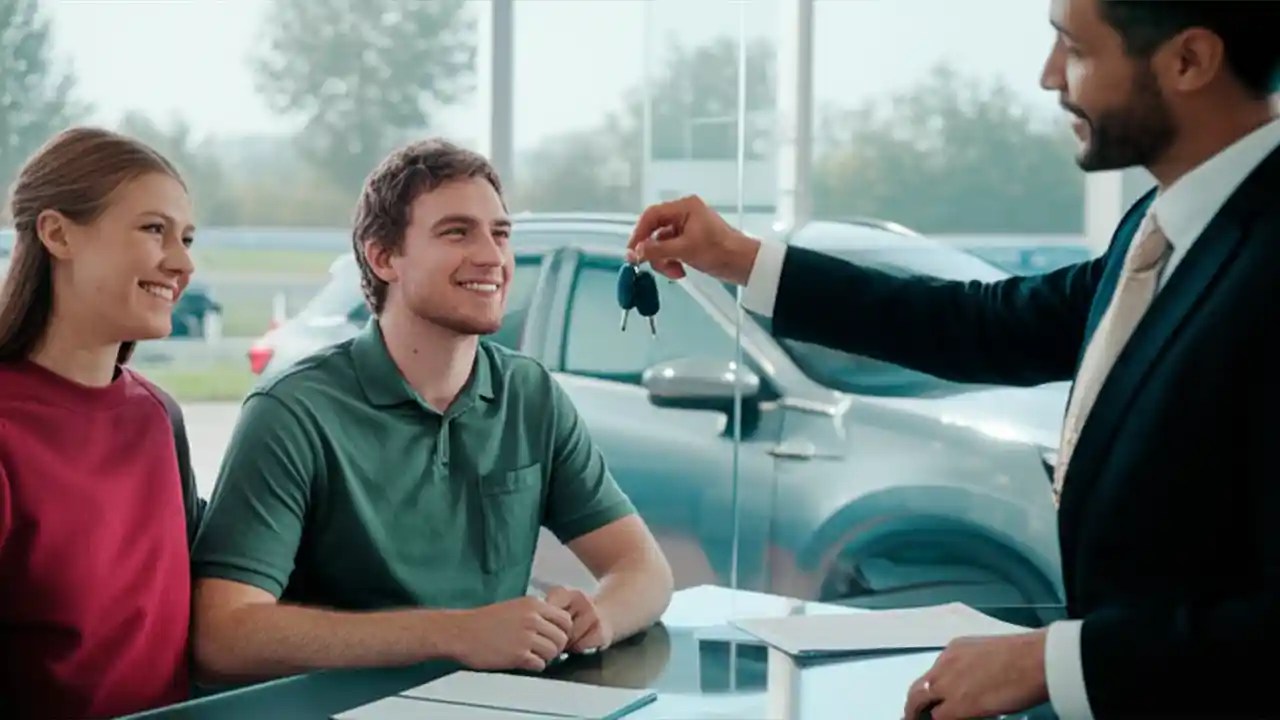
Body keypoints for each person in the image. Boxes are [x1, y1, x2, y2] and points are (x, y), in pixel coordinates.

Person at [626, 1, 1279, 718]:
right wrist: (738, 259)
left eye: (1076, 50)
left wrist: (1054, 662)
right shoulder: (1161, 227)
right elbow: (983, 324)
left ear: (1189, 61)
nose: (1049, 77)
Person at [191, 138, 674, 682]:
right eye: (457, 232)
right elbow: (223, 634)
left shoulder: (530, 394)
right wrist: (454, 634)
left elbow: (644, 569)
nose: (492, 256)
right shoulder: (293, 411)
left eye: (501, 233)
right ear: (383, 257)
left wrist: (600, 617)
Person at [0, 127, 200, 718]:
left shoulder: (159, 417)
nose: (183, 262)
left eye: (187, 237)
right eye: (153, 229)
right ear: (57, 233)